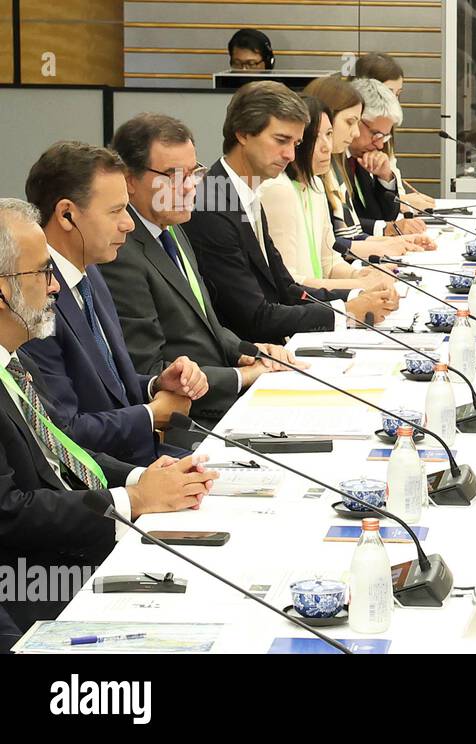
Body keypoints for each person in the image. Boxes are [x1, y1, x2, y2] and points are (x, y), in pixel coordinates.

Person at [0, 198, 217, 633]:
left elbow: (64, 450)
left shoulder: (14, 360)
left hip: (77, 545)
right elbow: (9, 514)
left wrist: (144, 478)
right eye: (43, 272)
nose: (55, 287)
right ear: (3, 290)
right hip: (34, 584)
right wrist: (131, 503)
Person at [100, 113, 298, 431]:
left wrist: (250, 352)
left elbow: (207, 326)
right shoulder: (120, 253)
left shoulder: (174, 228)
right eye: (172, 175)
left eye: (193, 173)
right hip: (191, 419)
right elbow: (149, 369)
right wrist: (242, 376)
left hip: (224, 400)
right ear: (129, 180)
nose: (189, 187)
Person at [22, 142, 207, 467]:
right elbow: (64, 430)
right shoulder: (34, 298)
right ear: (67, 214)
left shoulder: (90, 271)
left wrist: (156, 384)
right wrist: (153, 414)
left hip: (146, 459)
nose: (129, 223)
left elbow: (107, 385)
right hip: (107, 479)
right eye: (115, 211)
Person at [186, 81, 400, 344]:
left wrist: (355, 299)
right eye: (281, 140)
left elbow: (286, 288)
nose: (289, 154)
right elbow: (253, 317)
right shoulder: (212, 204)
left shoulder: (247, 191)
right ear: (242, 134)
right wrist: (345, 313)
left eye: (296, 143)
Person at [260, 96, 400, 293]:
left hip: (321, 299)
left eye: (329, 134)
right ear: (298, 141)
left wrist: (362, 275)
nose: (327, 146)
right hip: (303, 308)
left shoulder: (315, 183)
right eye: (317, 137)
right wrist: (361, 286)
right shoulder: (278, 189)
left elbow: (329, 262)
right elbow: (292, 281)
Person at [302, 75, 428, 258]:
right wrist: (386, 237)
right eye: (350, 122)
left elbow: (373, 218)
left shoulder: (353, 158)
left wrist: (385, 176)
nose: (353, 133)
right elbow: (324, 247)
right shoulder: (317, 169)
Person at [352, 53, 439, 213]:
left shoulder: (381, 131)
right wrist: (402, 202)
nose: (393, 100)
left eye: (397, 94)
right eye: (388, 92)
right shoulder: (357, 144)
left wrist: (388, 179)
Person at [345, 78, 426, 237]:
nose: (380, 145)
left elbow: (384, 216)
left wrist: (385, 177)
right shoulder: (329, 159)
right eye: (376, 134)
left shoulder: (362, 156)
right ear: (355, 119)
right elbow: (339, 225)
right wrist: (385, 229)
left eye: (385, 136)